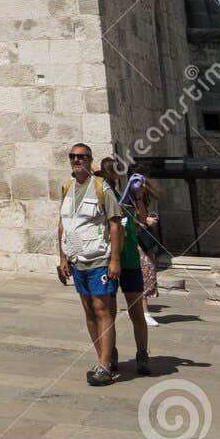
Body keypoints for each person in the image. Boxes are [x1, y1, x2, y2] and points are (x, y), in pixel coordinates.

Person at [57, 142, 122, 386]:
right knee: (88, 310)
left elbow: (115, 224)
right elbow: (62, 224)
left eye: (81, 157)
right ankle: (102, 357)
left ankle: (105, 365)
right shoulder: (67, 188)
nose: (77, 160)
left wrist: (114, 259)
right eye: (73, 156)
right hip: (76, 258)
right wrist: (62, 257)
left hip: (99, 258)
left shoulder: (101, 188)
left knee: (102, 308)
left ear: (89, 159)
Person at [99, 158, 151, 376]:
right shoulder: (101, 198)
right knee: (108, 311)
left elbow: (141, 221)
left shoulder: (127, 198)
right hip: (106, 259)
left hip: (128, 259)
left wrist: (138, 195)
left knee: (135, 310)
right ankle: (111, 354)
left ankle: (142, 354)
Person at [119, 168, 163, 327]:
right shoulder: (130, 199)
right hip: (135, 242)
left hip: (143, 241)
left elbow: (144, 213)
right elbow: (127, 217)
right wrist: (144, 222)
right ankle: (144, 313)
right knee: (144, 274)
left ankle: (139, 311)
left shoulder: (140, 198)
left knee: (148, 273)